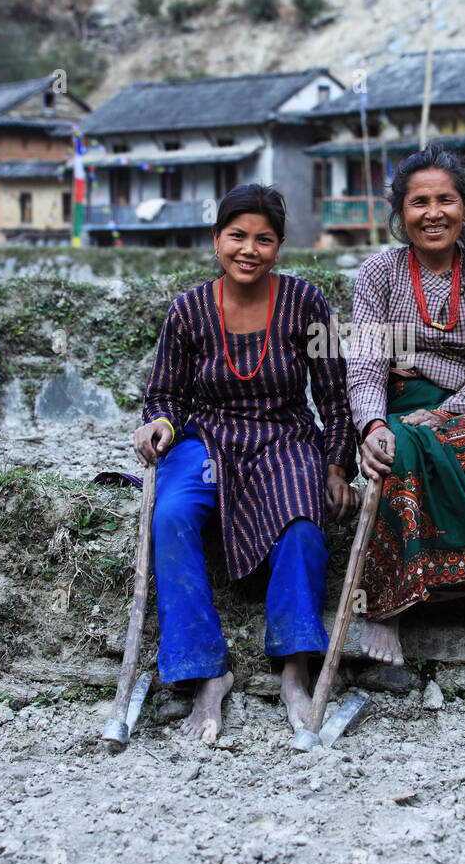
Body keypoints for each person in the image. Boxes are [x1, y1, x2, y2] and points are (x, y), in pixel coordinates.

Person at [134, 184, 357, 742]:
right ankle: (207, 671)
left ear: (280, 246)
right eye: (237, 236)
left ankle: (295, 670)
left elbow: (333, 397)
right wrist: (160, 425)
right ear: (217, 240)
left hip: (284, 437)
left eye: (264, 239)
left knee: (304, 524)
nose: (249, 249)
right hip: (206, 440)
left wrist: (334, 465)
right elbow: (164, 396)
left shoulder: (307, 304)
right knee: (172, 515)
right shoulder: (187, 311)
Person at [345, 144, 465, 667]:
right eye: (419, 202)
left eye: (446, 200)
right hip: (399, 400)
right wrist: (372, 424)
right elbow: (366, 363)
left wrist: (447, 412)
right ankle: (388, 608)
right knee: (392, 451)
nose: (433, 213)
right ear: (401, 213)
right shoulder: (379, 273)